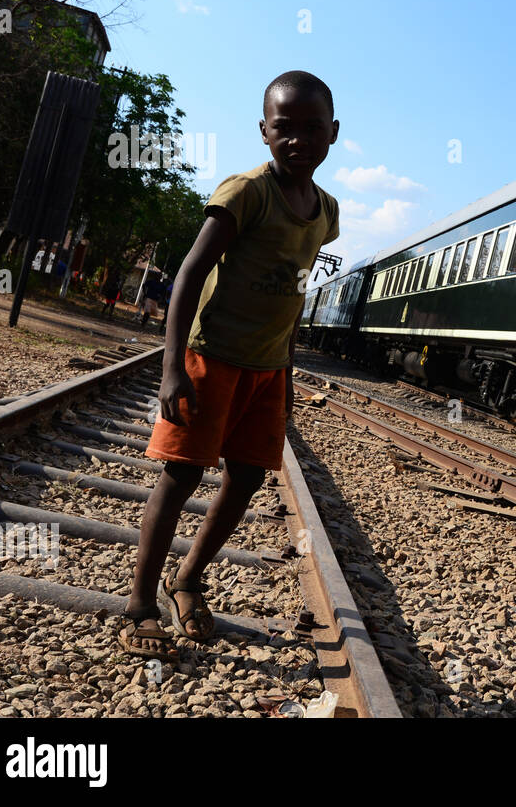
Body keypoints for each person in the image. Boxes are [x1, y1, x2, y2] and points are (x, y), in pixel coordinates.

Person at [118, 71, 341, 661]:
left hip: (267, 369)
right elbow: (190, 273)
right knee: (182, 475)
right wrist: (171, 367)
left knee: (244, 478)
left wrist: (287, 377)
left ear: (334, 135)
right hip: (210, 357)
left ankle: (187, 578)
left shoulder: (327, 211)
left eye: (312, 128)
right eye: (284, 127)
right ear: (264, 132)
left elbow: (293, 297)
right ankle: (140, 603)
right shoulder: (246, 192)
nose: (298, 139)